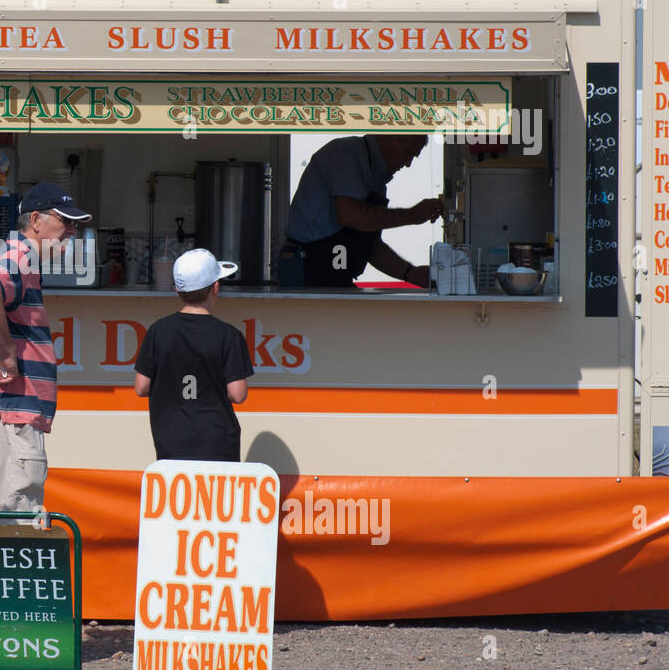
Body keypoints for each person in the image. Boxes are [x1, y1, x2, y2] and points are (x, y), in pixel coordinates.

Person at [0, 182, 91, 513]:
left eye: (75, 224)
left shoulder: (21, 258)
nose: (72, 231)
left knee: (3, 532)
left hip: (8, 416)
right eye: (66, 222)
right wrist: (7, 352)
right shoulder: (20, 256)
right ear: (36, 220)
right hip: (11, 416)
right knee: (17, 528)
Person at [133, 249, 252, 462]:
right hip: (218, 439)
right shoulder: (229, 335)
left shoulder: (158, 331)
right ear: (215, 288)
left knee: (177, 495)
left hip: (169, 437)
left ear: (178, 290)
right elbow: (238, 394)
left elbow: (141, 387)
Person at [280, 134, 443, 289]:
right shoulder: (346, 154)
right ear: (389, 139)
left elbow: (368, 244)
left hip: (331, 268)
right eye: (408, 153)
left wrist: (411, 273)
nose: (408, 163)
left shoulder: (375, 174)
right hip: (308, 267)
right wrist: (411, 216)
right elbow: (350, 216)